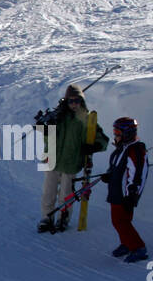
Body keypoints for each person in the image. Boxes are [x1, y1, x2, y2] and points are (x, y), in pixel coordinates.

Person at [39, 83, 108, 233]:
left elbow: (103, 140)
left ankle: (63, 219)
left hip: (71, 162)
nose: (74, 104)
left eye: (77, 100)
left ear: (81, 101)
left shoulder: (87, 118)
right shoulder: (58, 116)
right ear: (66, 101)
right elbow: (49, 139)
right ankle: (46, 218)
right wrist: (44, 129)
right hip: (52, 159)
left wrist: (94, 146)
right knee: (48, 192)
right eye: (71, 101)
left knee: (66, 194)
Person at [96, 116, 149, 263]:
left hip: (125, 194)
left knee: (120, 221)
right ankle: (126, 242)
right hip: (116, 190)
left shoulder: (135, 150)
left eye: (118, 132)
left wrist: (132, 194)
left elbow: (137, 174)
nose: (115, 135)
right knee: (120, 220)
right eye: (114, 132)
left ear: (127, 133)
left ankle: (138, 247)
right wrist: (109, 175)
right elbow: (116, 167)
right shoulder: (123, 148)